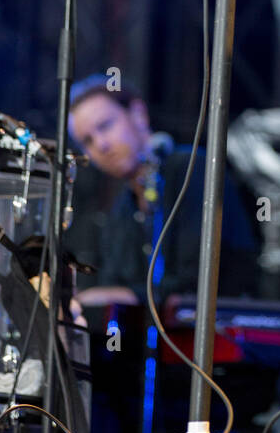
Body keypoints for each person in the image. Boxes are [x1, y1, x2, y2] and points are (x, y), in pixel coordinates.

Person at [67, 75, 259, 309]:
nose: (101, 145)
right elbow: (114, 281)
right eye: (87, 141)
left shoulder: (191, 169)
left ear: (138, 114)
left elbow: (199, 279)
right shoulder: (120, 211)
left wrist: (125, 294)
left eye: (105, 126)